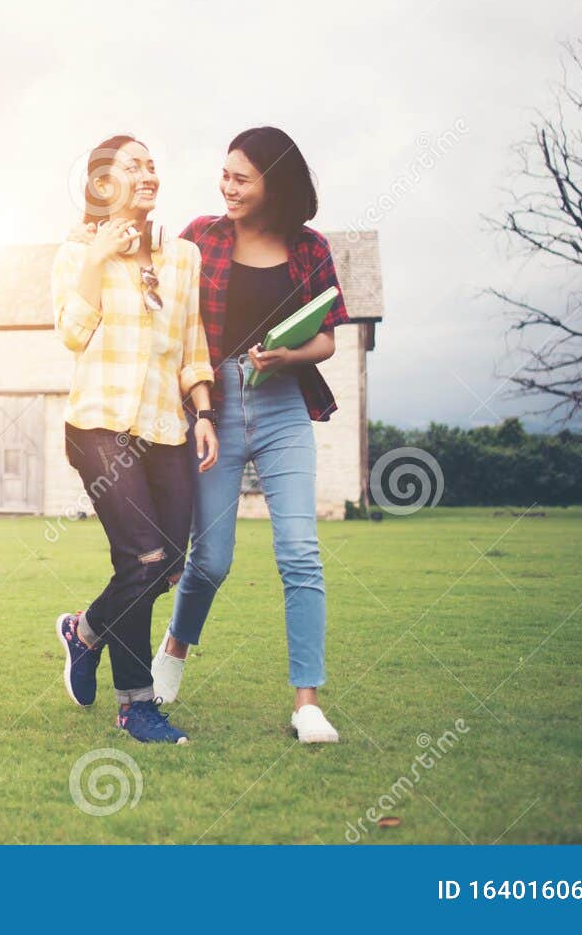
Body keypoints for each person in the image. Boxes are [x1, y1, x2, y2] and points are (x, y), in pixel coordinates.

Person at [151, 126, 349, 744]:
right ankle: (175, 652)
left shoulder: (310, 248)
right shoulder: (201, 238)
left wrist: (285, 358)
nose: (227, 187)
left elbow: (328, 337)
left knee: (299, 552)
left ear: (275, 184)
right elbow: (170, 316)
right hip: (213, 408)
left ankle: (307, 703)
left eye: (242, 178)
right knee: (210, 559)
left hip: (284, 404)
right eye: (225, 174)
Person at [52, 134, 217, 744]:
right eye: (131, 165)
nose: (147, 173)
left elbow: (191, 341)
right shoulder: (74, 254)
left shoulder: (182, 257)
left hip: (166, 428)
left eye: (151, 164)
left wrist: (203, 410)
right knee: (142, 559)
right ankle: (137, 706)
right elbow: (72, 333)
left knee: (168, 563)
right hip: (99, 424)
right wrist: (97, 258)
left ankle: (86, 631)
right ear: (102, 183)